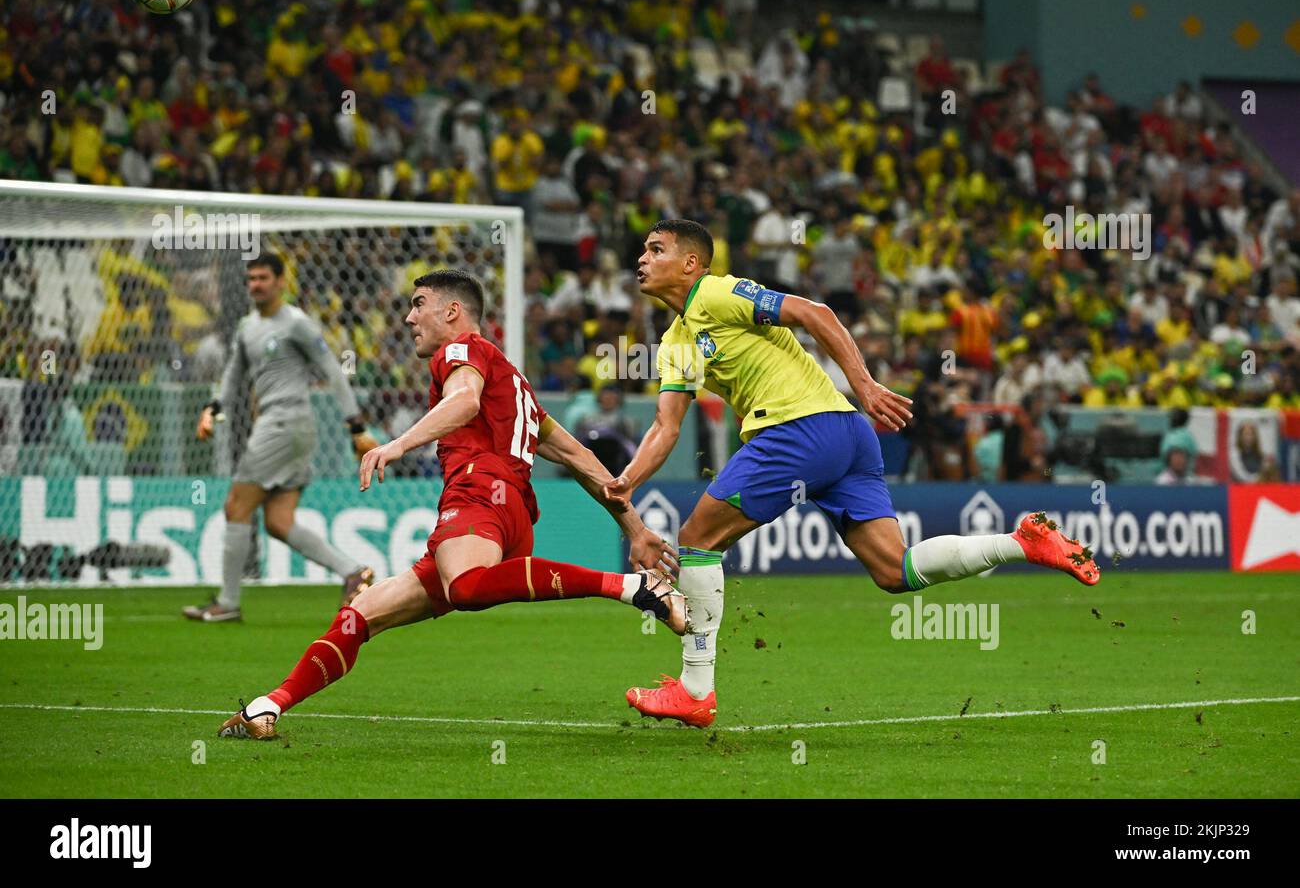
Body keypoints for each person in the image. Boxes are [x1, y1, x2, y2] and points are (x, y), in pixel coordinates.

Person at [604, 220, 1101, 728]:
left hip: (799, 428)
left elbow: (813, 312)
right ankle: (1023, 543)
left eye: (655, 249)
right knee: (894, 571)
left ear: (691, 263)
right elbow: (666, 428)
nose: (641, 257)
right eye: (642, 249)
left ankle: (694, 691)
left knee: (697, 539)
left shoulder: (716, 292)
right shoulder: (675, 342)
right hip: (846, 435)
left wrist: (863, 384)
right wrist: (628, 480)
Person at [218, 270, 684, 740]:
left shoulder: (460, 351)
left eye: (419, 304)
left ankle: (633, 588)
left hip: (479, 493)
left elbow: (463, 401)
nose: (408, 317)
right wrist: (636, 530)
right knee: (361, 614)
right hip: (509, 515)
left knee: (464, 587)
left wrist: (397, 444)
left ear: (452, 312)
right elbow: (578, 457)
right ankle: (269, 705)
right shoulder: (515, 383)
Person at [184, 252, 380, 621]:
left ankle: (227, 603)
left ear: (280, 281)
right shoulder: (247, 327)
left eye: (262, 278)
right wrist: (213, 408)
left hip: (285, 423)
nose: (255, 285)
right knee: (278, 520)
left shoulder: (297, 324)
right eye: (250, 279)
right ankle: (354, 571)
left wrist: (355, 426)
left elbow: (332, 372)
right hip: (278, 426)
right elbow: (232, 374)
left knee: (236, 506)